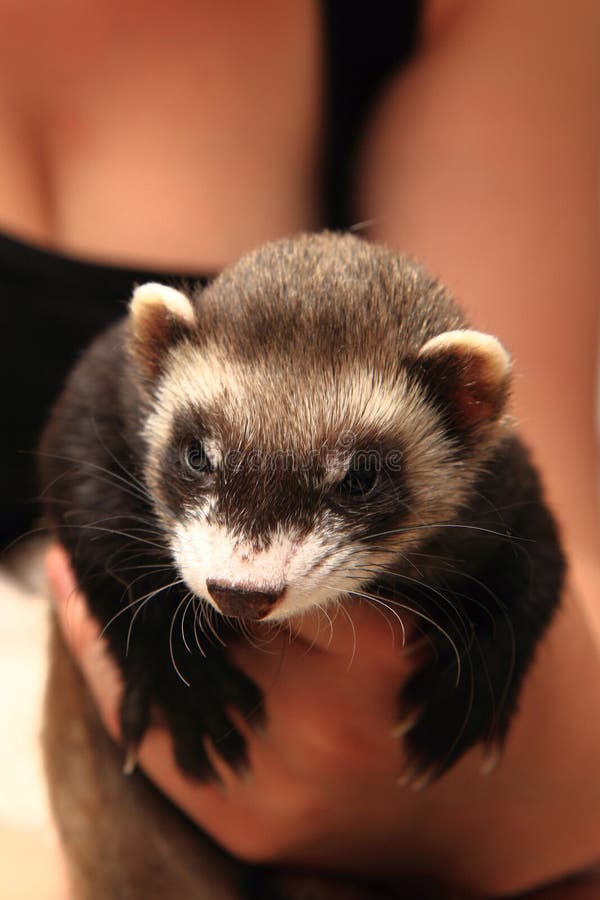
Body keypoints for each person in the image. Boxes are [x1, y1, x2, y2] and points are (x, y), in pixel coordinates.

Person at [4, 0, 600, 896]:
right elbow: (82, 466)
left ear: (466, 412)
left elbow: (553, 568)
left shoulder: (493, 23)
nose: (243, 564)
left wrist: (522, 810)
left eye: (359, 480)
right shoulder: (103, 413)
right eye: (199, 463)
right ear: (159, 363)